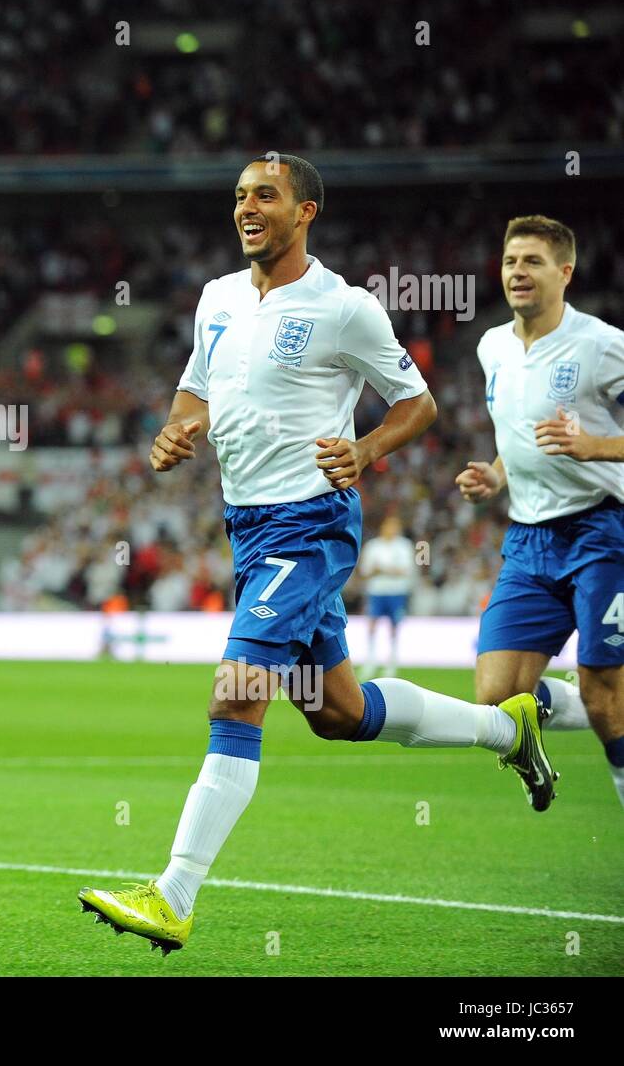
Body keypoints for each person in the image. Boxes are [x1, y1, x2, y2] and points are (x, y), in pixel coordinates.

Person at [79, 156, 555, 955]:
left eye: (265, 195)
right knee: (338, 713)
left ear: (306, 212)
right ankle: (505, 732)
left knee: (235, 695)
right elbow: (196, 387)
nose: (247, 207)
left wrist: (366, 451)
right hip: (248, 528)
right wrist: (179, 427)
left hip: (310, 526)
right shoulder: (217, 299)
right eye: (238, 196)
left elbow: (419, 403)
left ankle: (173, 894)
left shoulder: (346, 309)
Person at [457, 214, 624, 808]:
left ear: (566, 272)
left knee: (606, 698)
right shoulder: (492, 345)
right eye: (509, 262)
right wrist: (495, 476)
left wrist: (596, 446)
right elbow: (519, 432)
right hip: (528, 540)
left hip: (600, 529)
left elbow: (584, 441)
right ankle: (537, 721)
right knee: (494, 700)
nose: (517, 273)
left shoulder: (602, 345)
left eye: (532, 262)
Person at [358, 515, 416, 678]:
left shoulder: (404, 546)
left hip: (396, 592)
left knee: (394, 626)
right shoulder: (373, 546)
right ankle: (370, 660)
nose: (392, 529)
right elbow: (365, 571)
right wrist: (389, 570)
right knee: (372, 625)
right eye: (389, 526)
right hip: (376, 591)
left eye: (395, 526)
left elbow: (406, 571)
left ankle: (392, 661)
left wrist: (382, 570)